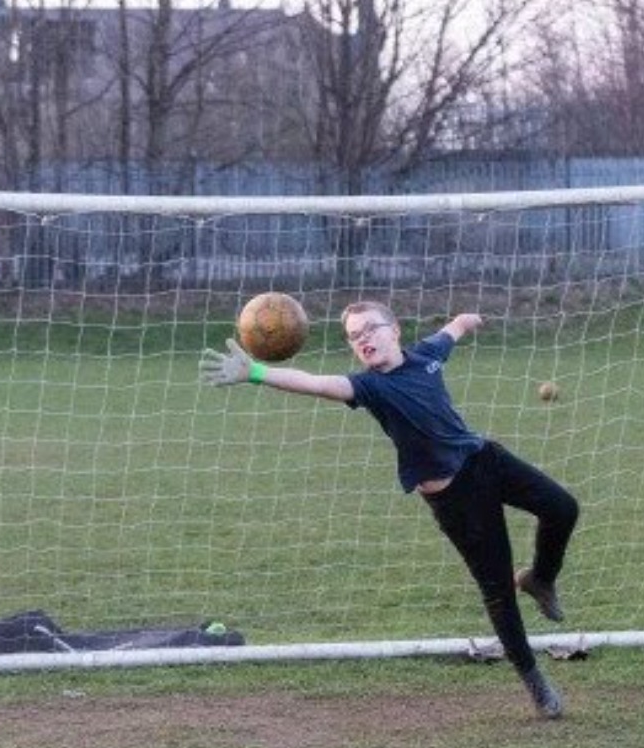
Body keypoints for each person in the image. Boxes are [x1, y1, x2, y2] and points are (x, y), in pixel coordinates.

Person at [200, 300, 578, 719]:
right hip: (456, 498)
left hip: (487, 460)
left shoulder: (426, 356)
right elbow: (317, 383)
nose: (363, 340)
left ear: (394, 330)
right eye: (354, 336)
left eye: (370, 330)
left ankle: (540, 580)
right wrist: (255, 372)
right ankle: (534, 681)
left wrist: (466, 320)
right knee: (497, 590)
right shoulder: (371, 388)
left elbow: (449, 332)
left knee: (563, 508)